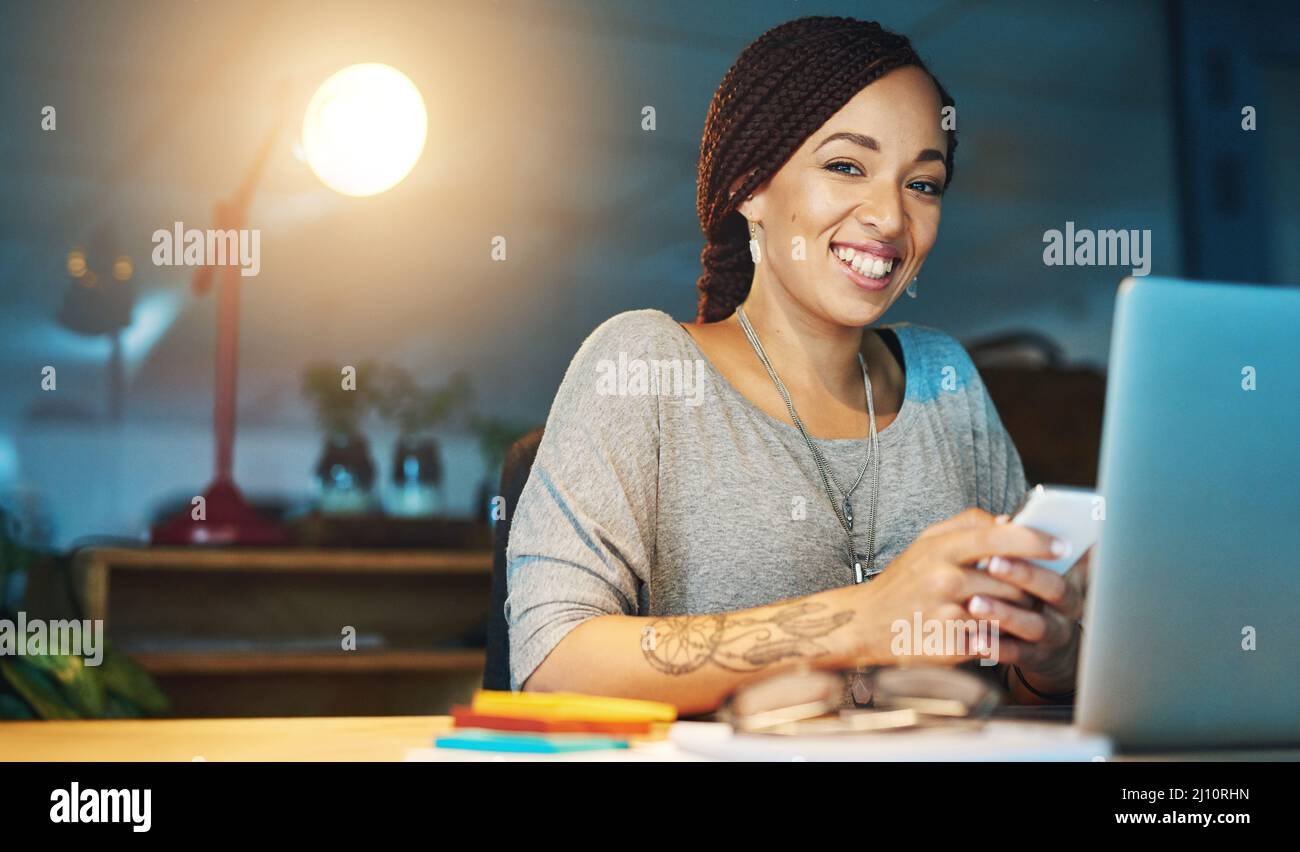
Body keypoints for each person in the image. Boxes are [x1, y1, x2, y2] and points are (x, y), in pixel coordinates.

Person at [505, 16, 1087, 716]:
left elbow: (1017, 679)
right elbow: (552, 665)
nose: (891, 219)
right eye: (846, 166)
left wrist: (1053, 657)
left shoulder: (946, 379)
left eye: (923, 184)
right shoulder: (643, 363)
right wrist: (862, 617)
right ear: (750, 185)